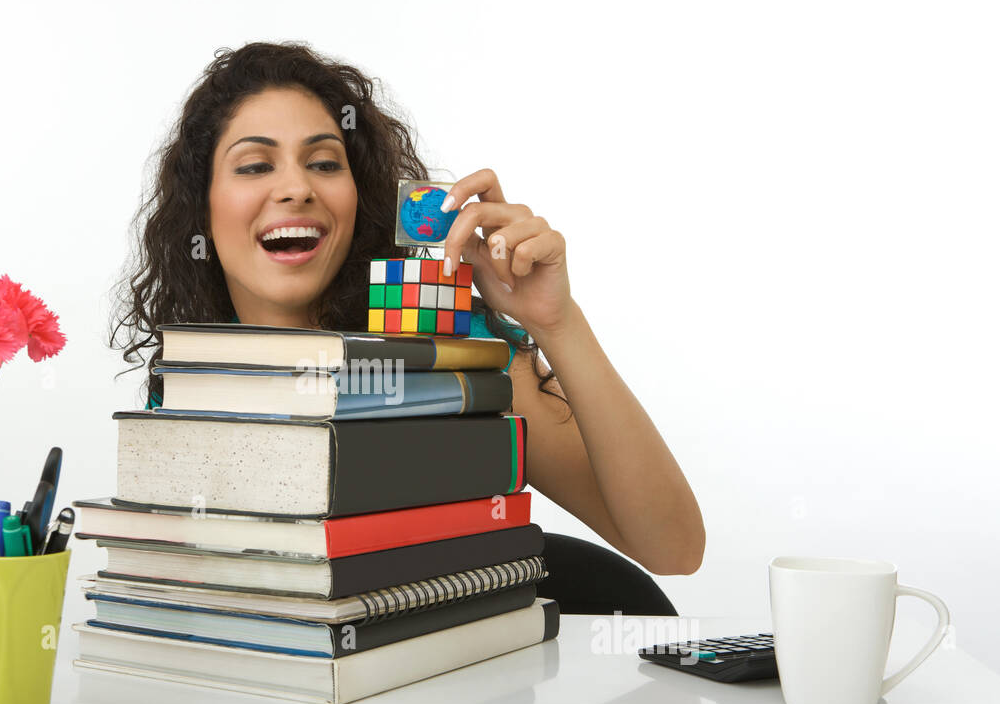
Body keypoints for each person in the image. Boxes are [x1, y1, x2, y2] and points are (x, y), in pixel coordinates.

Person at [110, 41, 704, 614]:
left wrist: (557, 322)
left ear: (359, 196)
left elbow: (672, 548)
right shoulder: (190, 384)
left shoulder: (453, 353)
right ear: (203, 208)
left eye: (323, 162)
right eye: (255, 165)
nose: (296, 188)